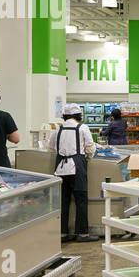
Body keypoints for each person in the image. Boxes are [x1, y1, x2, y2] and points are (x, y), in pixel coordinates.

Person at [49, 103, 98, 242]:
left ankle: (63, 233)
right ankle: (82, 234)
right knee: (81, 201)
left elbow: (51, 147)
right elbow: (89, 148)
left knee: (63, 201)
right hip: (77, 167)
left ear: (64, 116)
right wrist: (89, 157)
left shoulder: (58, 130)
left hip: (60, 169)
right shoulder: (83, 128)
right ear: (79, 116)